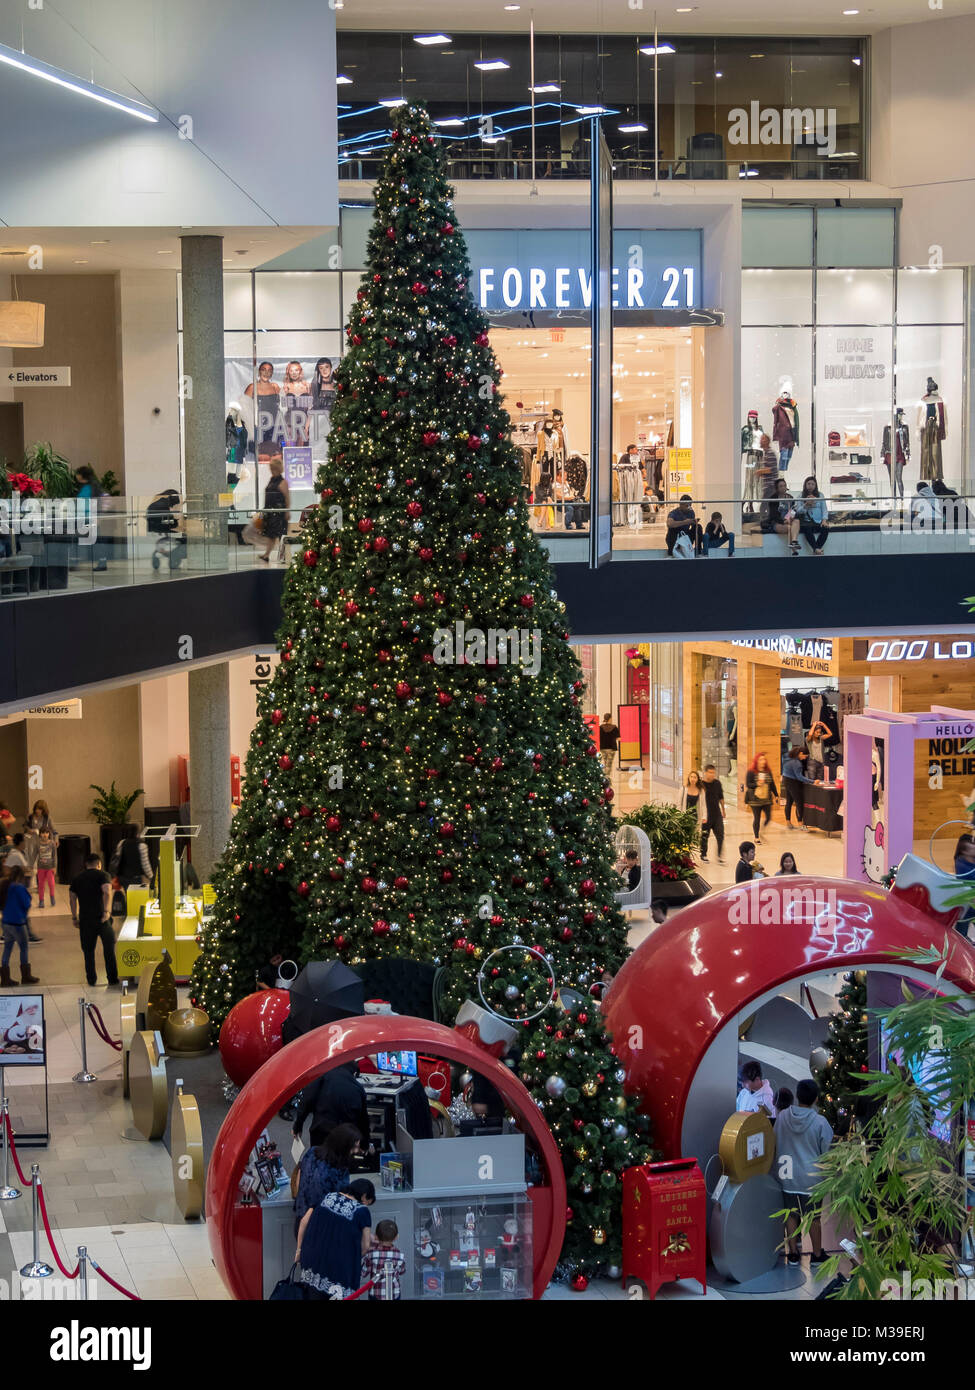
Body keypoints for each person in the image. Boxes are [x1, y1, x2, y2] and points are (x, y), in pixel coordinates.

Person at [774, 1078, 833, 1266]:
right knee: (814, 1217)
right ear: (816, 1099)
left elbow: (773, 1140)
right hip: (812, 1178)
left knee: (791, 1214)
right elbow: (827, 1152)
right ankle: (816, 1254)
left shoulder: (783, 1117)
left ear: (797, 1095)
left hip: (787, 1175)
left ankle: (792, 1253)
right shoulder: (820, 1122)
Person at [295, 1177, 375, 1299]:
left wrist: (299, 1250)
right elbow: (366, 1246)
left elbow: (304, 1221)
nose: (365, 1204)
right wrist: (352, 1259)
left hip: (312, 1260)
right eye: (367, 1201)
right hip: (339, 1270)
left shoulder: (327, 1196)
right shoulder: (362, 1211)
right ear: (364, 1196)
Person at [293, 1121, 361, 1234]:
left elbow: (299, 1177)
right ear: (343, 1146)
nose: (356, 1151)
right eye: (354, 1147)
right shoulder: (339, 1169)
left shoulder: (312, 1152)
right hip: (323, 1227)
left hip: (301, 1220)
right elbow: (341, 1198)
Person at [292, 1061, 370, 1150]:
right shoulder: (358, 1088)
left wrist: (298, 1125)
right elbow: (363, 1120)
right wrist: (365, 1145)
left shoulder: (322, 1076)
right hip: (346, 1136)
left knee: (319, 1160)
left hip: (321, 1130)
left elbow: (307, 1100)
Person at [69, 853, 118, 987]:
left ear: (86, 864)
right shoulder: (103, 875)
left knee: (88, 952)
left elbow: (72, 898)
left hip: (85, 920)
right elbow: (107, 892)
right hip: (103, 919)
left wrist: (74, 917)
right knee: (109, 949)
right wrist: (107, 912)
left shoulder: (77, 878)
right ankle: (112, 978)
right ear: (99, 864)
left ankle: (91, 979)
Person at [0, 867, 37, 986]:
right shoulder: (20, 888)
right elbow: (26, 903)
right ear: (21, 877)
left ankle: (5, 978)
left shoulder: (6, 886)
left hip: (5, 922)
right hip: (18, 923)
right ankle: (26, 976)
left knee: (7, 948)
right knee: (24, 947)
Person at [253, 456, 290, 563]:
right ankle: (267, 554)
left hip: (279, 512)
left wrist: (287, 511)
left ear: (278, 469)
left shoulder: (283, 482)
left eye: (273, 468)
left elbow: (287, 498)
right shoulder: (272, 480)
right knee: (271, 535)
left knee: (279, 535)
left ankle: (283, 556)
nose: (271, 470)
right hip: (270, 511)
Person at [361, 1218, 406, 1301]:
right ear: (396, 1237)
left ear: (376, 1237)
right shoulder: (400, 1256)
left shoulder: (371, 1254)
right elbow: (402, 1271)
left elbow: (363, 1273)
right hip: (394, 1294)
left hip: (375, 1294)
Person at [75, 466, 109, 571]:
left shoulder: (92, 486)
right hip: (85, 518)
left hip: (92, 518)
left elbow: (99, 501)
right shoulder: (85, 486)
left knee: (97, 540)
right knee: (91, 540)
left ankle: (102, 563)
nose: (76, 476)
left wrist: (99, 517)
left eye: (77, 473)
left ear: (81, 475)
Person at [790, 475, 829, 556]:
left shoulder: (820, 495)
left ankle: (816, 548)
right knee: (807, 529)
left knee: (825, 529)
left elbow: (824, 509)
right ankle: (816, 549)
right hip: (806, 521)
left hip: (818, 521)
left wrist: (824, 520)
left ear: (815, 486)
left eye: (812, 484)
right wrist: (806, 505)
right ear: (805, 485)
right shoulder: (801, 496)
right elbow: (797, 511)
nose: (810, 486)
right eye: (808, 484)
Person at [745, 752, 778, 843]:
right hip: (755, 799)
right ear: (756, 761)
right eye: (760, 759)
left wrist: (776, 795)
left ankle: (762, 831)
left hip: (766, 799)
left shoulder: (767, 771)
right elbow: (748, 784)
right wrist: (757, 784)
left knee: (768, 817)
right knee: (757, 818)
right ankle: (756, 837)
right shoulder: (751, 771)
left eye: (764, 759)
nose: (763, 761)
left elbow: (772, 784)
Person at [781, 745, 815, 831]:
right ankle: (801, 824)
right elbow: (799, 777)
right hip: (793, 782)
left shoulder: (787, 758)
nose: (804, 758)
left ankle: (788, 822)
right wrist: (812, 781)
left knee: (789, 802)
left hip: (786, 780)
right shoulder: (797, 763)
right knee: (799, 802)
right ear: (800, 753)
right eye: (805, 756)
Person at [699, 765, 726, 863]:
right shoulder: (701, 784)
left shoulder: (717, 783)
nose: (712, 774)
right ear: (705, 773)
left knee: (720, 835)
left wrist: (723, 810)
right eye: (710, 772)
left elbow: (721, 797)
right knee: (705, 836)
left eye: (713, 772)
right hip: (706, 815)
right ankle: (703, 854)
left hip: (717, 814)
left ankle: (719, 856)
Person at [953, 834, 975, 937]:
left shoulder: (971, 861)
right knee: (961, 931)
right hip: (968, 902)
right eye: (972, 845)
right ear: (964, 851)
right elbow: (964, 884)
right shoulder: (961, 864)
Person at [35, 830, 58, 907]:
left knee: (51, 883)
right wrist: (30, 865)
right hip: (41, 867)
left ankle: (52, 896)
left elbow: (54, 856)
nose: (45, 834)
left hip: (50, 867)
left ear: (49, 834)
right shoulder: (37, 843)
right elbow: (34, 855)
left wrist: (54, 866)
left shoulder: (52, 843)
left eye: (46, 833)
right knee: (41, 884)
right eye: (43, 833)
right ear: (40, 834)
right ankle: (41, 900)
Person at [598, 713, 619, 778]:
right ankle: (607, 778)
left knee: (605, 762)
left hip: (603, 748)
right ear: (610, 719)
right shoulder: (614, 727)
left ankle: (604, 776)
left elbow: (598, 737)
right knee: (609, 764)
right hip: (611, 748)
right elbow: (619, 738)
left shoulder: (600, 727)